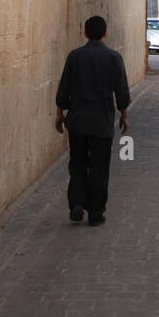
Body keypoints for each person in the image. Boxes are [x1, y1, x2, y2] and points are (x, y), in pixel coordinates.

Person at [55, 15, 130, 226]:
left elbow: (64, 88)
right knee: (99, 166)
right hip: (102, 122)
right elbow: (121, 92)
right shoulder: (114, 58)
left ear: (85, 33)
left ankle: (78, 202)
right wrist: (124, 115)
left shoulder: (75, 57)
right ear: (105, 33)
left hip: (78, 120)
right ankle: (96, 212)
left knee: (77, 162)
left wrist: (60, 113)